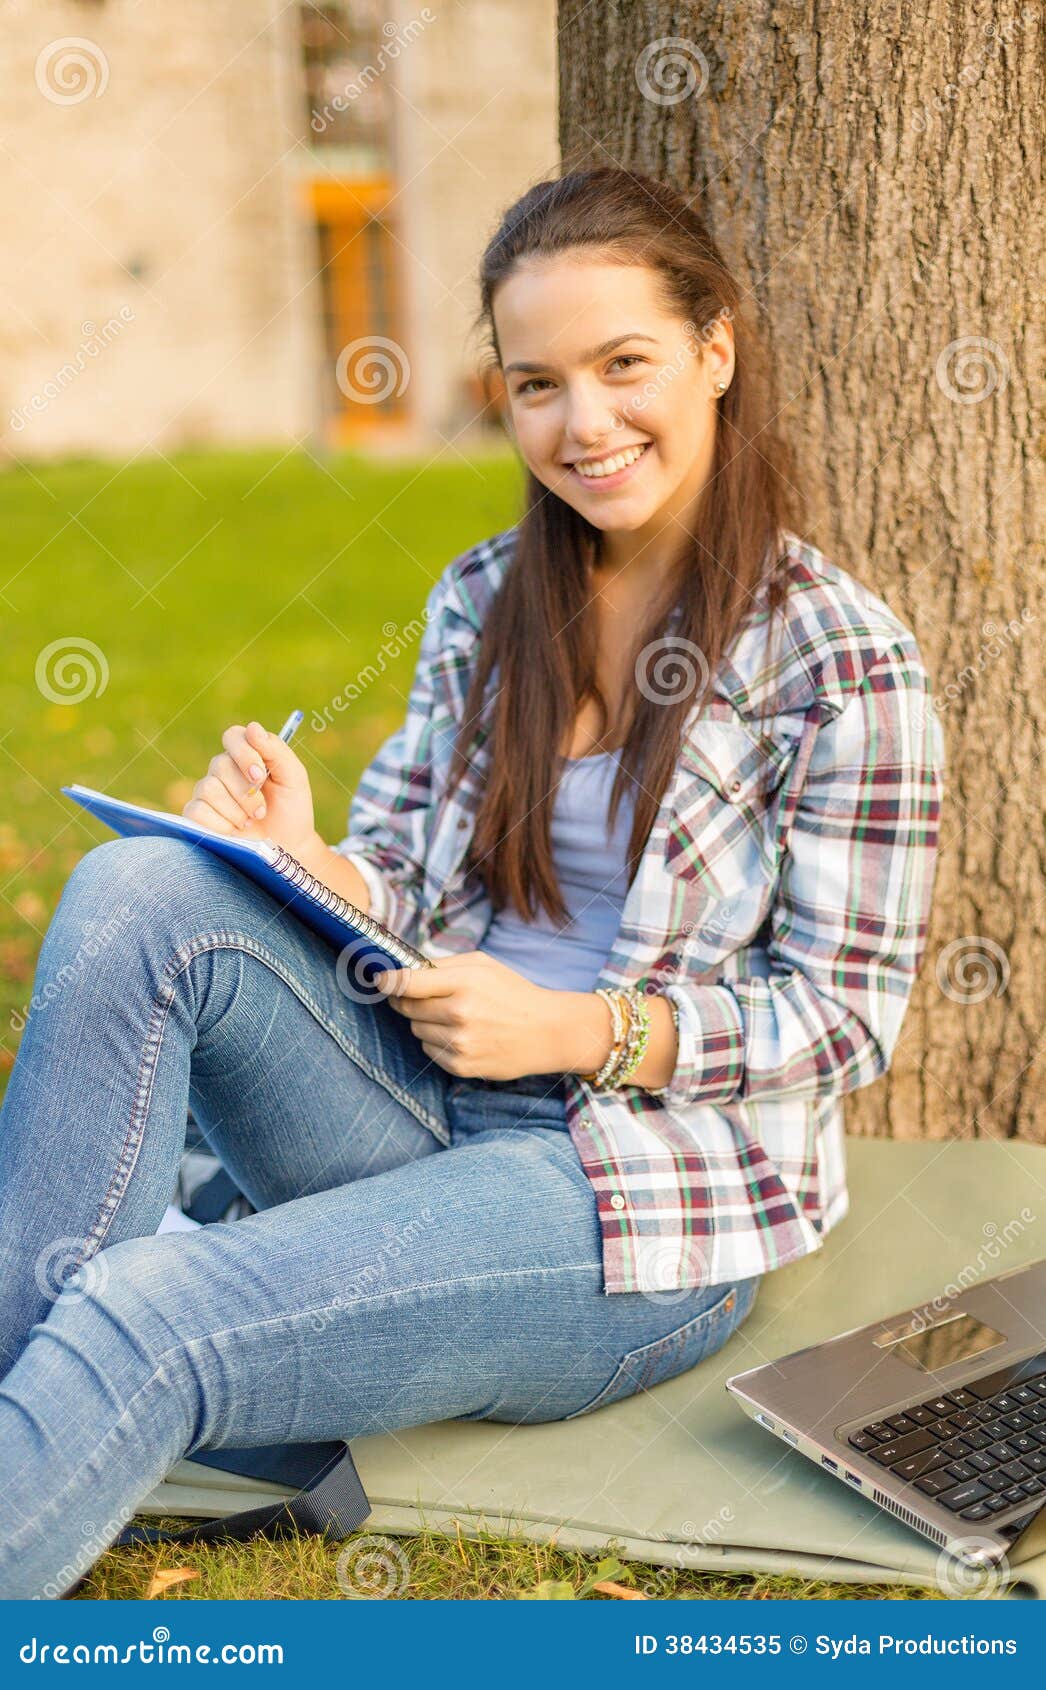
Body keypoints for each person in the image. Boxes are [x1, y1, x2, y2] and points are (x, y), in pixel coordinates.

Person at [0, 164, 944, 1599]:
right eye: (536, 384)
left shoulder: (838, 655)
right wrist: (310, 862)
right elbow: (407, 878)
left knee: (157, 1309)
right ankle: (28, 1408)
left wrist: (582, 1031)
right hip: (416, 1095)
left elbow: (844, 1013)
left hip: (630, 1198)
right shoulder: (484, 599)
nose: (584, 423)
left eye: (623, 365)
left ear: (715, 351)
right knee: (141, 887)